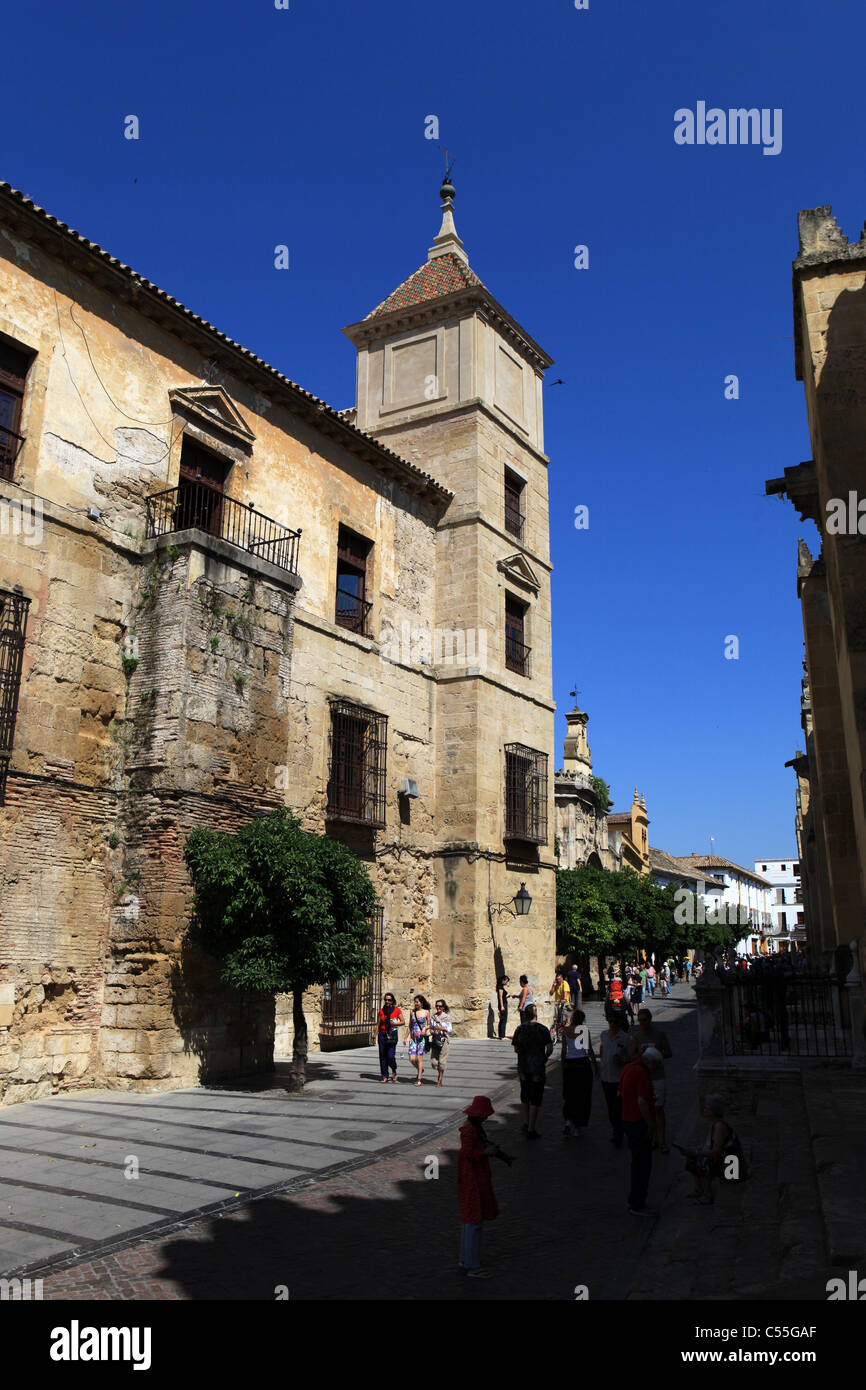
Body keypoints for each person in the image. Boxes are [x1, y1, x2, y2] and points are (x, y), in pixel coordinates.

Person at [457, 1096, 513, 1277]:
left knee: (470, 1222)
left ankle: (465, 1259)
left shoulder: (474, 1129)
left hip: (473, 1175)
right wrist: (485, 1152)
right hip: (472, 1177)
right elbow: (468, 1153)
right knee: (473, 1221)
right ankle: (472, 1265)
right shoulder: (470, 1131)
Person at [680, 1095, 742, 1205]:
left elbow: (715, 1151)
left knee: (703, 1162)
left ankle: (707, 1195)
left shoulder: (719, 1127)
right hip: (726, 1157)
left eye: (707, 1108)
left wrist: (696, 1152)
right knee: (693, 1158)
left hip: (731, 1165)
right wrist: (694, 1151)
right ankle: (699, 1189)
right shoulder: (715, 1124)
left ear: (713, 1111)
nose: (704, 1110)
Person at [619, 1041, 657, 1214]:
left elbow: (619, 1093)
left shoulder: (628, 1068)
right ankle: (637, 1202)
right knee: (642, 1165)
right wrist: (651, 1125)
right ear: (649, 1062)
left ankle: (633, 1199)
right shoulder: (641, 1073)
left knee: (636, 1162)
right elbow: (642, 1101)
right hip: (638, 1122)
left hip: (627, 1119)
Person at [629, 1008, 673, 1152]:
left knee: (659, 1108)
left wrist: (658, 1056)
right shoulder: (636, 1037)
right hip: (643, 1078)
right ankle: (652, 1138)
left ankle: (662, 1140)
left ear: (650, 1020)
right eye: (640, 1020)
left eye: (644, 1020)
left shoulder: (659, 1035)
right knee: (647, 1110)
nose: (642, 1023)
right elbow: (632, 1058)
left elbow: (669, 1053)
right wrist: (640, 1055)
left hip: (658, 1076)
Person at [511, 1004, 553, 1139]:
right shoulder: (543, 1029)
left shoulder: (520, 1029)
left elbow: (516, 1048)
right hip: (537, 1067)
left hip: (523, 1066)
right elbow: (550, 1048)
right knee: (535, 1097)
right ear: (536, 1014)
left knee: (525, 1094)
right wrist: (543, 1058)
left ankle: (526, 1121)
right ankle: (531, 1127)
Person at [561, 1008, 598, 1135]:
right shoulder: (583, 1030)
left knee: (569, 1094)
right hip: (582, 1062)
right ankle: (578, 1124)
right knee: (582, 1095)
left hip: (570, 1063)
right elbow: (589, 1050)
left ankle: (568, 1121)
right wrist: (595, 1066)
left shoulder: (565, 1030)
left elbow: (564, 1050)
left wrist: (563, 1065)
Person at [598, 1005, 631, 1145]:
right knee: (610, 1108)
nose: (612, 1024)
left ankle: (618, 1134)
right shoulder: (604, 1035)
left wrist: (623, 1060)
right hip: (606, 1077)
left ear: (619, 1022)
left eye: (615, 1022)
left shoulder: (625, 1038)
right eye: (610, 1021)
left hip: (619, 1078)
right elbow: (602, 1049)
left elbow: (630, 1058)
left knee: (617, 1108)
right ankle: (617, 1130)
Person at [376, 992, 405, 1082]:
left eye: (389, 1000)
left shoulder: (396, 1010)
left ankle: (394, 1070)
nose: (387, 1001)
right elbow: (378, 1024)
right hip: (382, 1034)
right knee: (382, 1056)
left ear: (392, 1001)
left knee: (390, 1056)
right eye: (385, 1000)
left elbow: (403, 1021)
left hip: (392, 1034)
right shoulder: (381, 1011)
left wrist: (395, 1023)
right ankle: (385, 1076)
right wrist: (374, 1036)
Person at [405, 994, 432, 1086]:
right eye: (415, 1002)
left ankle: (419, 1079)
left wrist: (425, 1028)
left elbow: (429, 1024)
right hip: (413, 1039)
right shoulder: (412, 1012)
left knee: (419, 1059)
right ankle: (420, 1069)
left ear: (421, 1003)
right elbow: (410, 1025)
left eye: (417, 1002)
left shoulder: (426, 1012)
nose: (415, 1004)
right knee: (412, 1059)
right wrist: (405, 1037)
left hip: (421, 1039)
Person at [430, 998, 453, 1086]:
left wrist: (442, 1028)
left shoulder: (446, 1017)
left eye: (440, 1006)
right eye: (437, 1006)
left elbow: (450, 1030)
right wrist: (432, 1031)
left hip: (444, 1041)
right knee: (434, 1062)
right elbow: (431, 1028)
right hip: (435, 1040)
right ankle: (439, 1072)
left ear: (443, 1008)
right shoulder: (433, 1017)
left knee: (442, 1062)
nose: (438, 1008)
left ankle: (440, 1079)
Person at [549, 970, 571, 1039]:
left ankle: (568, 1021)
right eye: (557, 979)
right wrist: (553, 986)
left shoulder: (565, 983)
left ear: (562, 978)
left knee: (564, 1010)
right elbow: (551, 993)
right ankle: (557, 1031)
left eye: (559, 979)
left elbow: (566, 992)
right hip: (558, 1002)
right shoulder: (556, 985)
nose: (558, 980)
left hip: (565, 1002)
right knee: (557, 1016)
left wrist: (564, 999)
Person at [495, 975, 510, 1040]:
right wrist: (502, 1006)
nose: (507, 982)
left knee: (502, 1019)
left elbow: (502, 997)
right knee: (503, 1020)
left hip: (503, 1004)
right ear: (503, 980)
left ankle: (501, 1035)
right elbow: (500, 997)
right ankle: (502, 1036)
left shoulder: (501, 987)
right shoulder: (500, 988)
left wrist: (506, 996)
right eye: (506, 981)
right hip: (503, 1004)